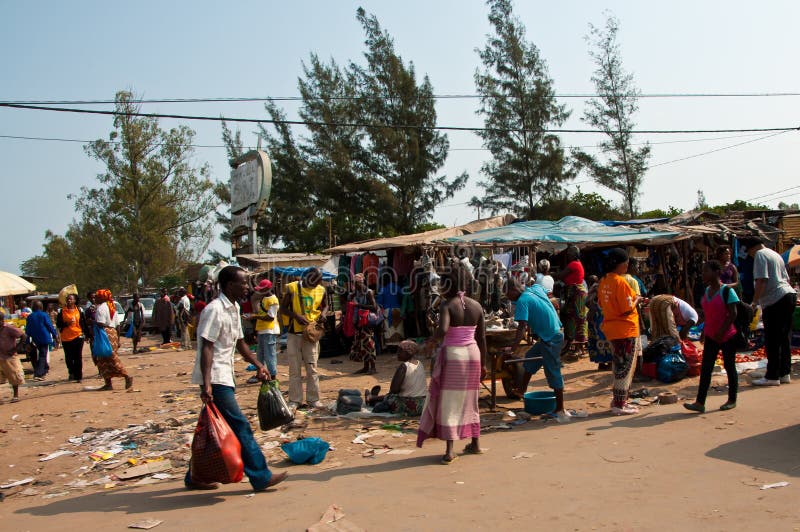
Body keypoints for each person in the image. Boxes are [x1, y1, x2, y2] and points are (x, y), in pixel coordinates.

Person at [186, 265, 288, 492]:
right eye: (243, 283)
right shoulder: (214, 310)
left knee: (210, 428)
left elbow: (241, 344)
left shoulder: (233, 308)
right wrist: (207, 384)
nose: (247, 287)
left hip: (224, 375)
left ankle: (194, 476)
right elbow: (206, 348)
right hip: (215, 377)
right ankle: (261, 477)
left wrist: (259, 365)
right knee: (240, 425)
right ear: (229, 285)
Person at [417, 263, 487, 464]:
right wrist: (484, 364)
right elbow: (482, 338)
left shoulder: (447, 305)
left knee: (450, 401)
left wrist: (431, 339)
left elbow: (443, 330)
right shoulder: (477, 305)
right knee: (471, 399)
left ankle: (449, 450)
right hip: (473, 355)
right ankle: (475, 443)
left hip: (454, 356)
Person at [505, 278, 571, 422]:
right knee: (530, 358)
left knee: (553, 371)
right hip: (552, 333)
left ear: (513, 290)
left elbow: (522, 327)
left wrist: (512, 348)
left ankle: (559, 408)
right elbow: (549, 297)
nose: (507, 298)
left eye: (507, 294)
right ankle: (522, 390)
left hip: (551, 338)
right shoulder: (535, 288)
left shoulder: (523, 300)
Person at [741, 236, 797, 386]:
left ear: (752, 248)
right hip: (788, 295)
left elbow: (761, 280)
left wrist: (754, 302)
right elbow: (787, 278)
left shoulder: (760, 255)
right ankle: (784, 373)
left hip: (775, 299)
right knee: (784, 338)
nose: (750, 255)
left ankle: (772, 376)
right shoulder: (774, 254)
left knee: (772, 339)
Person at [684, 260, 739, 413]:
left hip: (727, 336)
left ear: (716, 272)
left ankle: (732, 399)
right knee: (706, 368)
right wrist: (703, 331)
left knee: (729, 367)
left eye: (706, 271)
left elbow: (733, 314)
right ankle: (700, 402)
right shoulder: (707, 291)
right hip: (710, 335)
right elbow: (709, 314)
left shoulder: (727, 291)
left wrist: (722, 331)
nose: (703, 274)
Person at [597, 248, 642, 415]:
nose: (628, 266)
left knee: (618, 366)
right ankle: (619, 404)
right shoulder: (620, 282)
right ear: (621, 264)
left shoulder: (604, 280)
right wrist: (637, 298)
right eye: (627, 263)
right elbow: (626, 308)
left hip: (612, 328)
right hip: (625, 329)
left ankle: (620, 400)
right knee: (624, 368)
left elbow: (602, 304)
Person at [280, 268, 328, 409]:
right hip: (294, 333)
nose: (316, 283)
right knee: (295, 369)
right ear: (306, 277)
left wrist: (324, 314)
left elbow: (326, 305)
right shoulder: (292, 288)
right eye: (314, 280)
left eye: (318, 280)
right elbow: (283, 309)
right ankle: (295, 400)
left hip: (311, 334)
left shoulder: (321, 290)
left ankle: (313, 400)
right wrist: (296, 316)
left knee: (312, 368)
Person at [366, 340, 427, 416]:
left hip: (409, 406)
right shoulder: (419, 363)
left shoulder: (404, 366)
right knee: (392, 396)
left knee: (382, 405)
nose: (397, 353)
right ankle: (373, 398)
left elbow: (394, 390)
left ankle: (371, 399)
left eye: (400, 351)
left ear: (408, 352)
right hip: (422, 404)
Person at [93, 289, 133, 391]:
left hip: (104, 334)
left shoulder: (101, 308)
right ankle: (108, 383)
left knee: (108, 359)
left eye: (97, 297)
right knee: (106, 359)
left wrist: (92, 322)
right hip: (113, 333)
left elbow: (101, 323)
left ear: (102, 298)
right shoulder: (111, 307)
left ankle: (126, 376)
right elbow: (118, 325)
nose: (95, 298)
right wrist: (118, 339)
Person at [247, 279, 281, 384]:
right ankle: (260, 374)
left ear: (268, 289)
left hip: (269, 330)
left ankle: (272, 376)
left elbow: (270, 317)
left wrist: (254, 316)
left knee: (269, 355)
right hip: (262, 330)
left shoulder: (273, 300)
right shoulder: (264, 299)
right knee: (260, 355)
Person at [558, 246, 588, 356]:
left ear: (575, 254)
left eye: (570, 253)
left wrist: (549, 275)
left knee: (577, 319)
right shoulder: (577, 263)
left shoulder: (573, 264)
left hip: (577, 294)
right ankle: (576, 346)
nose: (568, 255)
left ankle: (578, 347)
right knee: (574, 319)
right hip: (575, 293)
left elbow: (561, 275)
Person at [349, 273, 379, 374]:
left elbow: (374, 307)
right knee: (361, 345)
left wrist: (359, 304)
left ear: (362, 282)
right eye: (355, 283)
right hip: (359, 322)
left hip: (367, 322)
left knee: (369, 344)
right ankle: (366, 367)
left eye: (357, 283)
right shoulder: (356, 292)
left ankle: (373, 367)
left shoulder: (369, 292)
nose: (356, 285)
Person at [56, 294, 88, 383]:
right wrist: (67, 324)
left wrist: (87, 334)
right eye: (68, 299)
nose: (69, 300)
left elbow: (83, 323)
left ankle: (79, 376)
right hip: (66, 337)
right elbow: (58, 324)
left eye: (71, 299)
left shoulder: (79, 310)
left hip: (78, 335)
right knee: (69, 357)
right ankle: (71, 372)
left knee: (78, 356)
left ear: (74, 300)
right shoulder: (62, 311)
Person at [25, 300, 57, 381]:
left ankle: (45, 369)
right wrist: (55, 335)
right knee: (43, 355)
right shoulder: (44, 315)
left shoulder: (30, 316)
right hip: (44, 337)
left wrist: (27, 341)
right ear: (41, 307)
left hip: (35, 338)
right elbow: (49, 326)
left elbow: (27, 330)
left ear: (33, 308)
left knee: (42, 353)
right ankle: (38, 374)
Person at [586, 274, 613, 370]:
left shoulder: (594, 288)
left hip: (595, 318)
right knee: (605, 338)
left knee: (597, 339)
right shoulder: (604, 288)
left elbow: (587, 302)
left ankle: (601, 362)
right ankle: (609, 362)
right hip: (601, 318)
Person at [0, 319, 26, 402]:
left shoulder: (9, 328)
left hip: (9, 356)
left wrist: (16, 348)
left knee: (14, 376)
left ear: (1, 320)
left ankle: (15, 396)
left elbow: (23, 335)